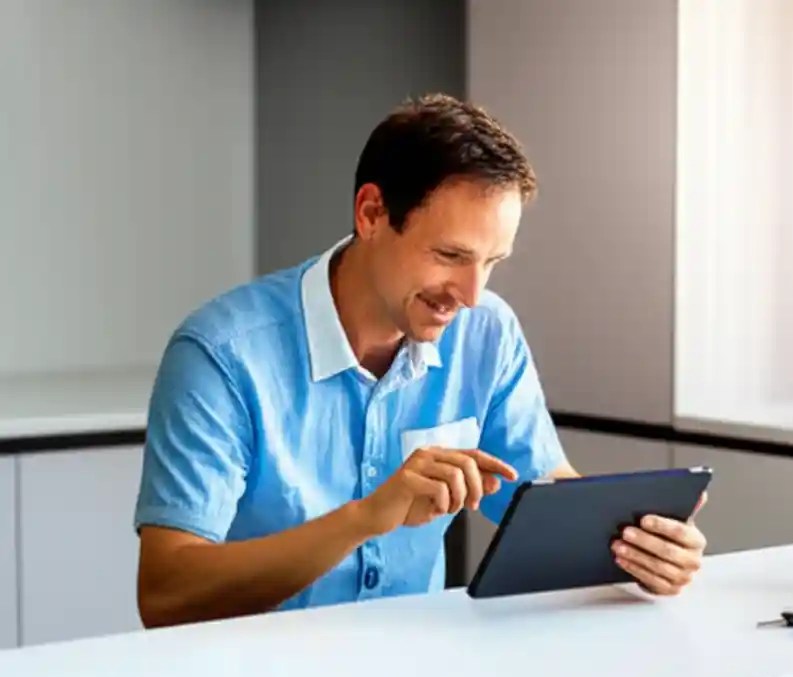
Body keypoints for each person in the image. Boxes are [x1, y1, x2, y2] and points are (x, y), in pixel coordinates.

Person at [133, 93, 707, 628]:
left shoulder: (487, 333)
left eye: (492, 262)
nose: (470, 294)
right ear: (371, 212)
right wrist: (366, 518)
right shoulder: (222, 355)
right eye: (449, 255)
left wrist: (640, 543)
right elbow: (166, 593)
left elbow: (543, 496)